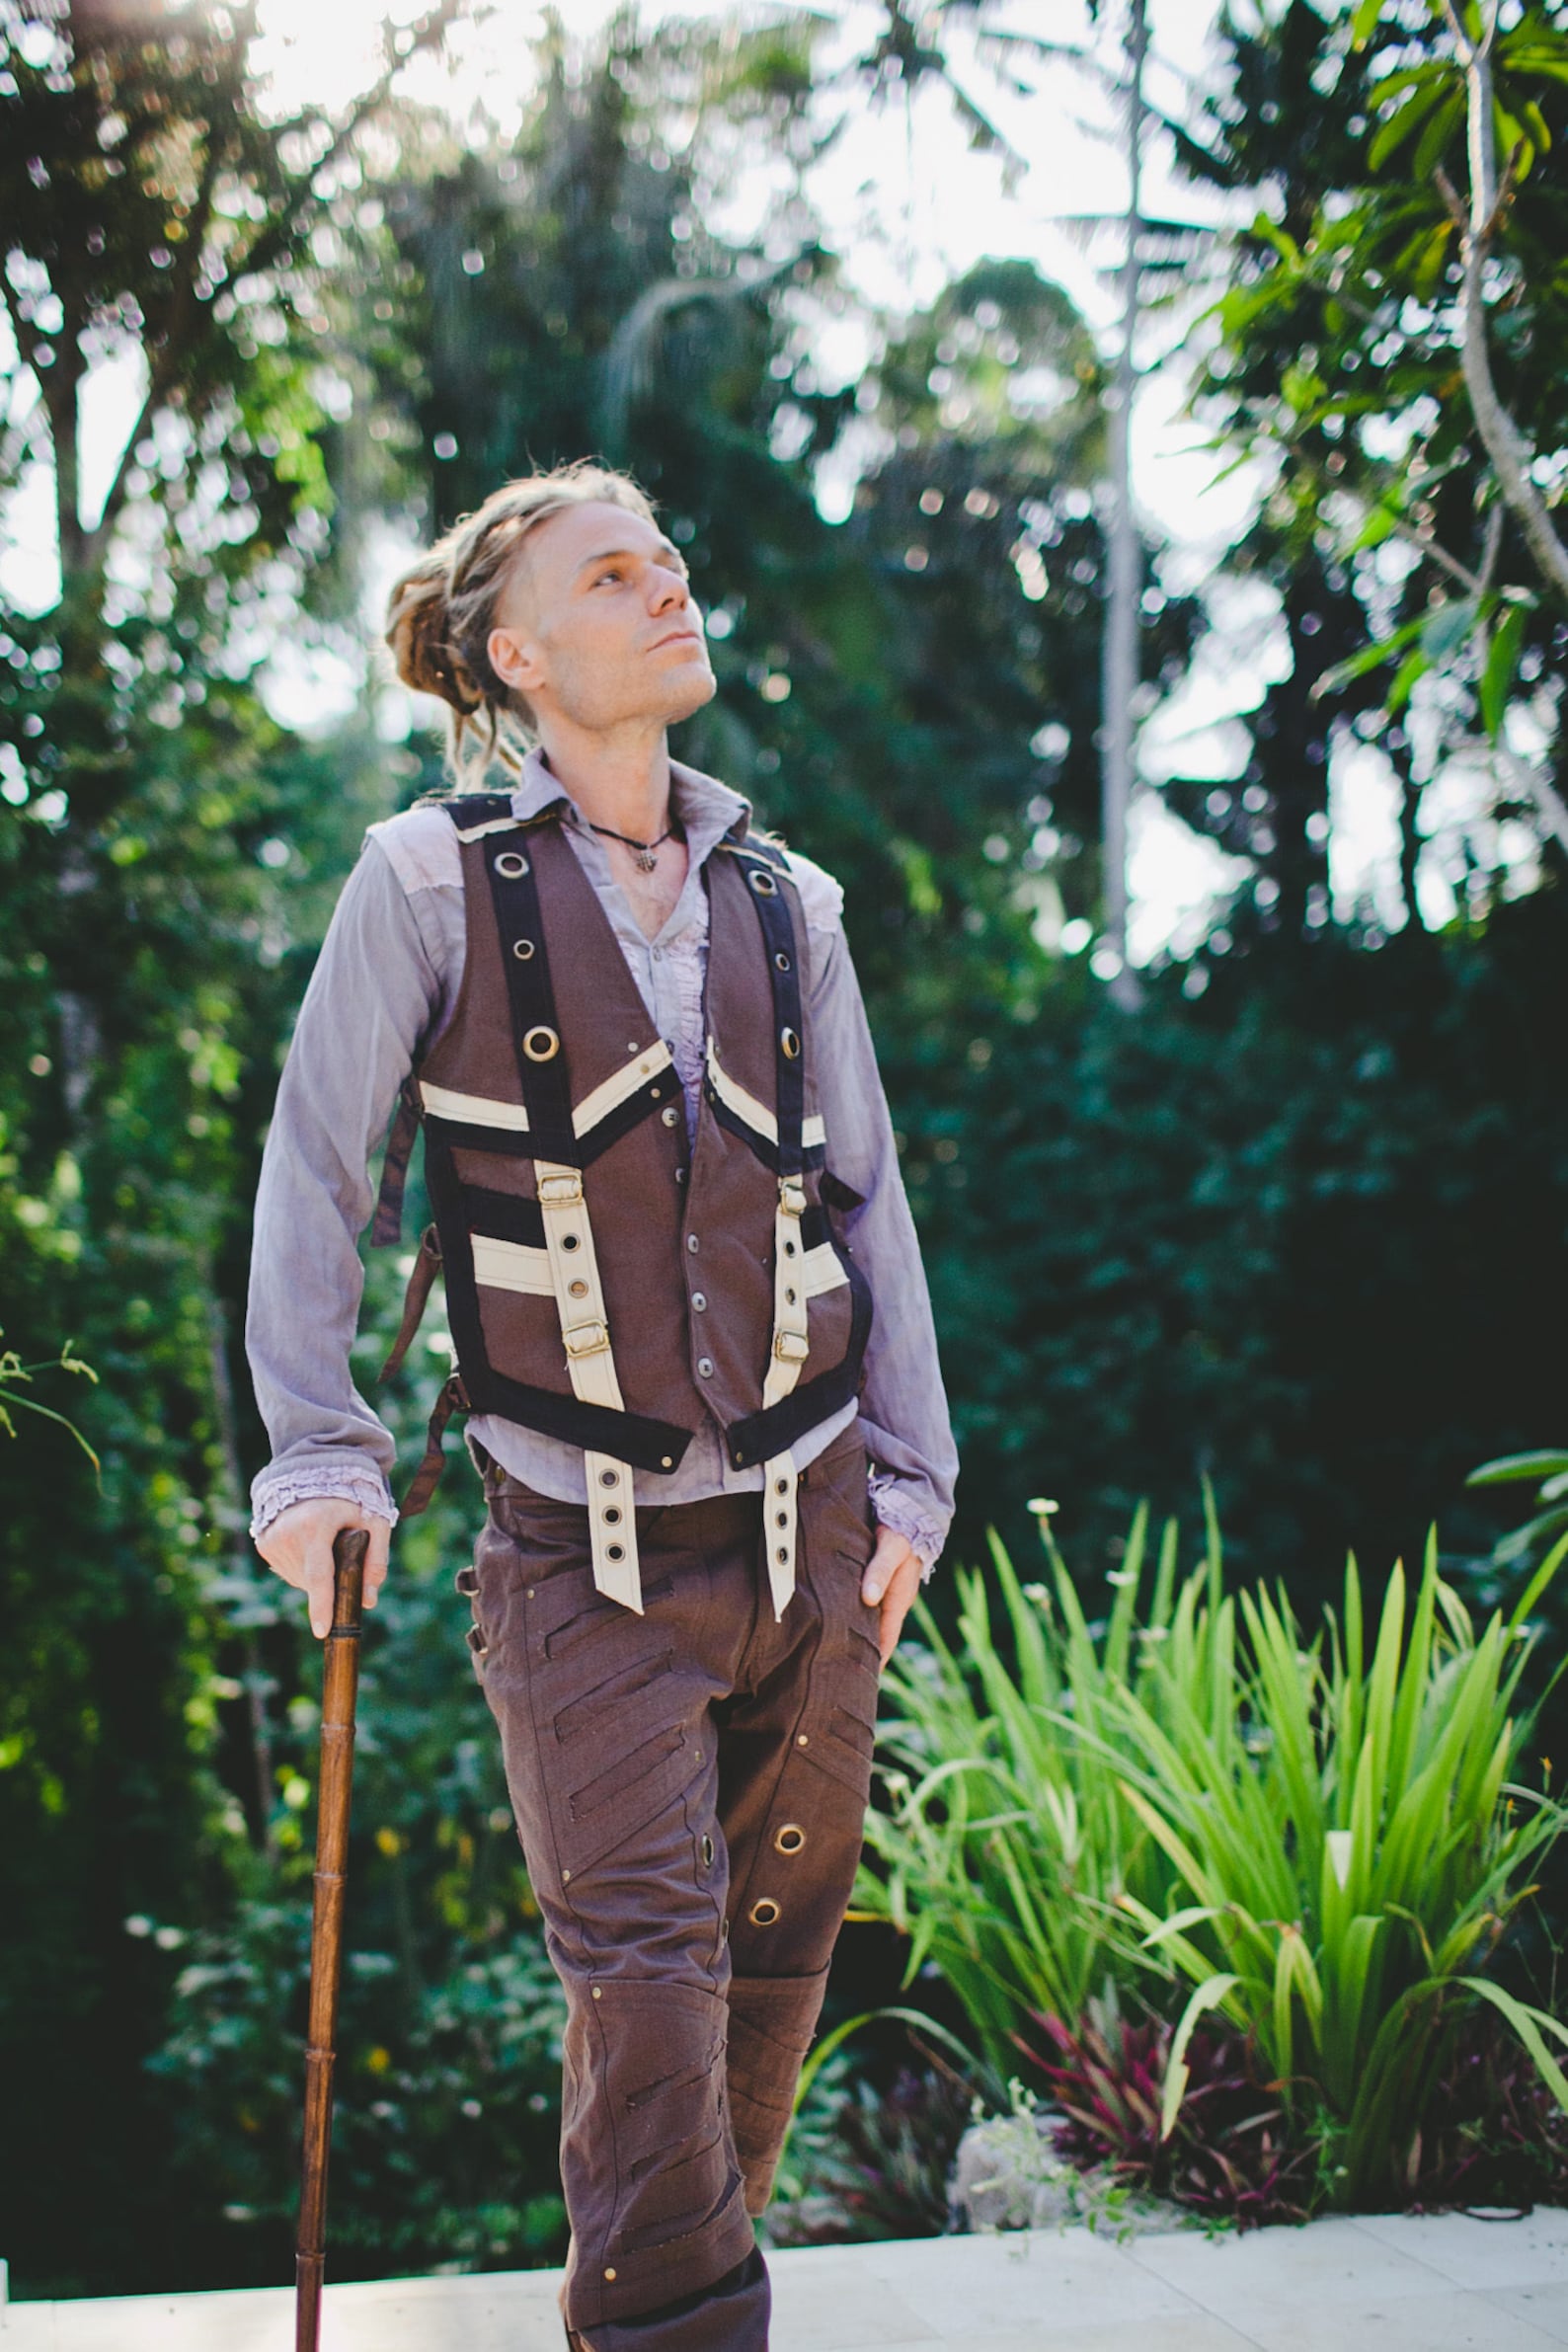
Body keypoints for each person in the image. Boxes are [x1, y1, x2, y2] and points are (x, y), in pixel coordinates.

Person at [247, 458, 957, 2351]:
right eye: (614, 571)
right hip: (582, 1550)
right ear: (514, 652)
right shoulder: (423, 881)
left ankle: (636, 2318)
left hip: (817, 1534)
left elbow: (867, 1199)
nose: (669, 587)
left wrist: (913, 1491)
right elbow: (320, 1171)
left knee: (772, 1973)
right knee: (645, 1984)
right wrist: (322, 1452)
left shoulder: (791, 902)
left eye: (671, 559)